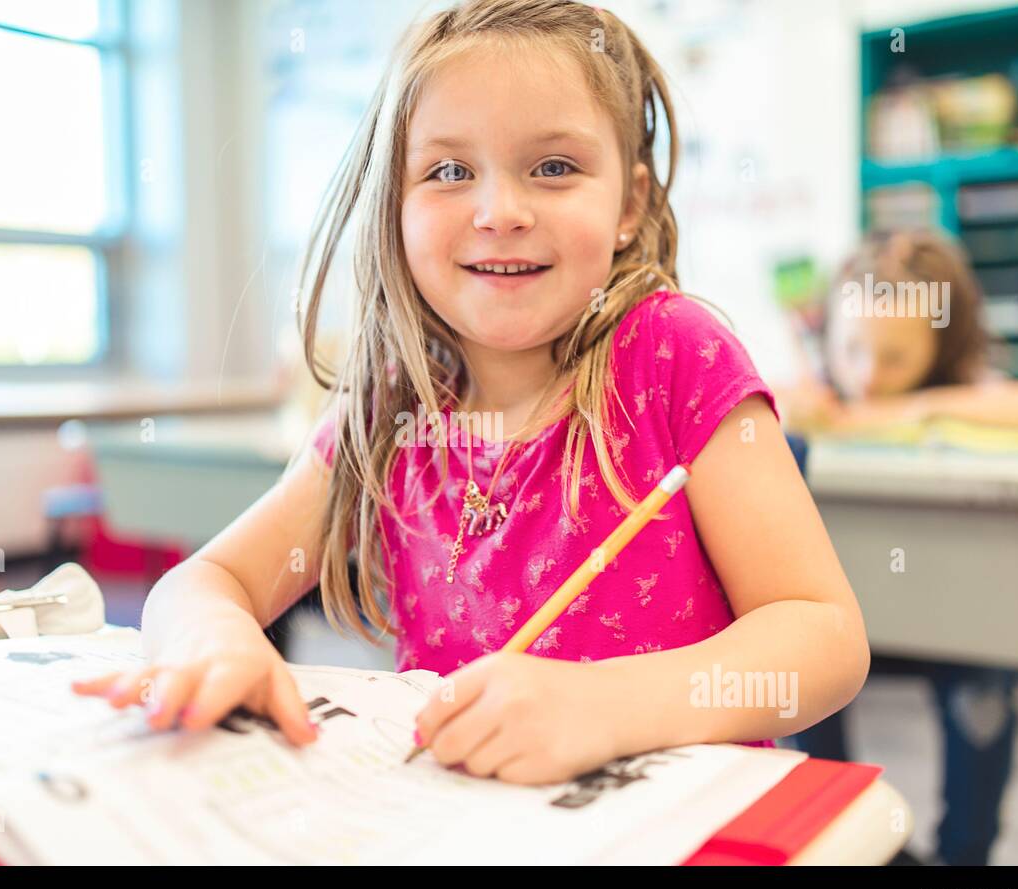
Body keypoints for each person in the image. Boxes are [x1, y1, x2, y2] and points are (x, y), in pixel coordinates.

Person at [74, 0, 869, 787]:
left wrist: (605, 705)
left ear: (626, 206)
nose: (500, 213)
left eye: (554, 167)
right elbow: (207, 581)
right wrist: (215, 638)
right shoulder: (392, 404)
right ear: (396, 203)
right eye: (450, 171)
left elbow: (824, 638)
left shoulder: (674, 355)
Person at [780, 227, 1018, 865]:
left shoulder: (961, 398)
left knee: (987, 668)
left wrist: (891, 416)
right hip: (843, 626)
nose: (867, 377)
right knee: (797, 668)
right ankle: (852, 843)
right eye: (852, 350)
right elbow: (767, 402)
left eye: (895, 359)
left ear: (941, 349)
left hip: (950, 622)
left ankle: (962, 866)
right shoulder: (812, 397)